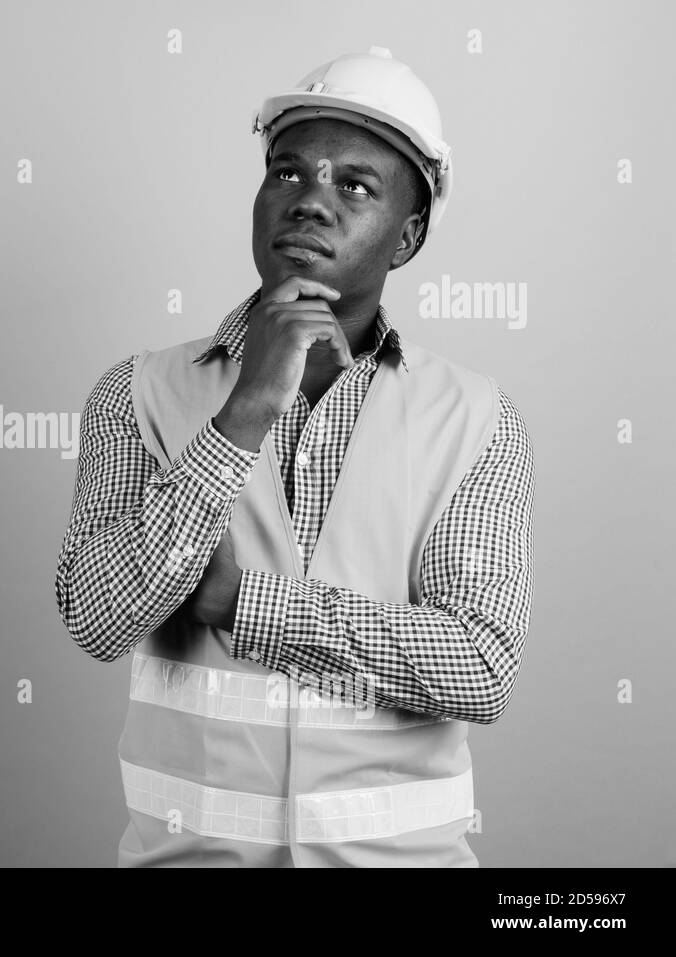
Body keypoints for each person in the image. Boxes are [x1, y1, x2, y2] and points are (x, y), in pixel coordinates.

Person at [53, 47, 535, 867]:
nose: (310, 201)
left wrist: (246, 605)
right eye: (287, 173)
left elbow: (479, 664)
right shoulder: (137, 392)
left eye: (355, 185)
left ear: (408, 234)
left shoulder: (476, 418)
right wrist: (244, 412)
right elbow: (98, 618)